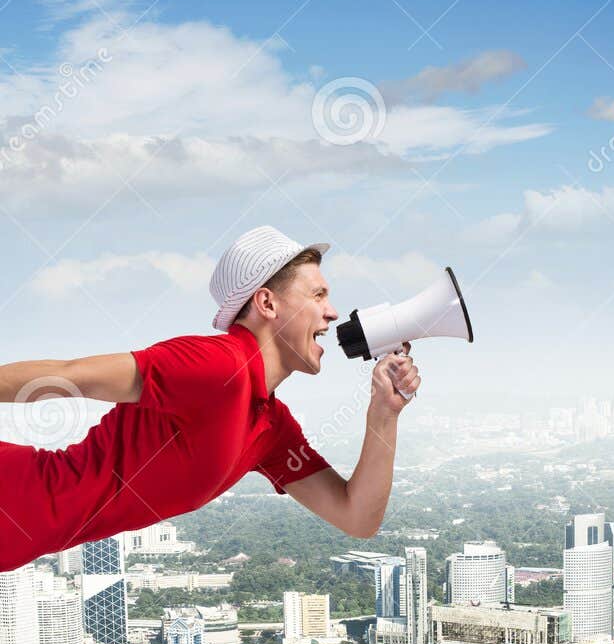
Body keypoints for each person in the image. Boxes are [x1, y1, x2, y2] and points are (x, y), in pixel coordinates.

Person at [0, 226, 420, 572]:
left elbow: (357, 517)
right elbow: (72, 376)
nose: (332, 312)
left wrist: (384, 414)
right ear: (267, 302)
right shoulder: (217, 365)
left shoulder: (271, 428)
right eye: (317, 295)